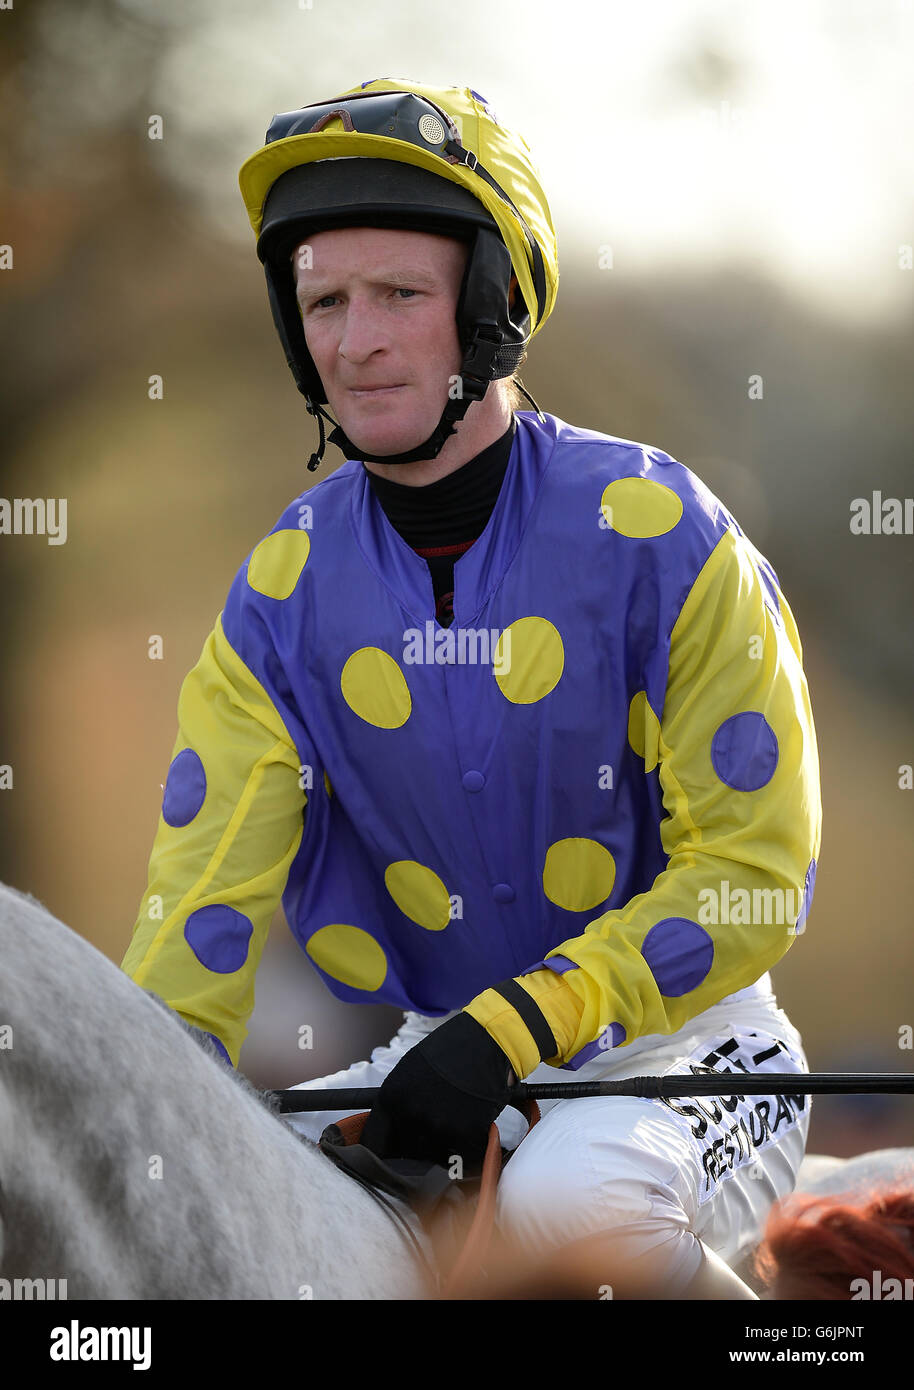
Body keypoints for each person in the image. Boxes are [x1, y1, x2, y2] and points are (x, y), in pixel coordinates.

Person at [121, 78, 822, 1298]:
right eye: (323, 303)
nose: (354, 340)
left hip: (690, 1044)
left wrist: (513, 1029)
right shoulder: (278, 597)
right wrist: (129, 1099)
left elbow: (756, 876)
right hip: (431, 1048)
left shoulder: (664, 538)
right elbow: (200, 911)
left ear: (493, 305)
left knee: (567, 1208)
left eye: (400, 293)